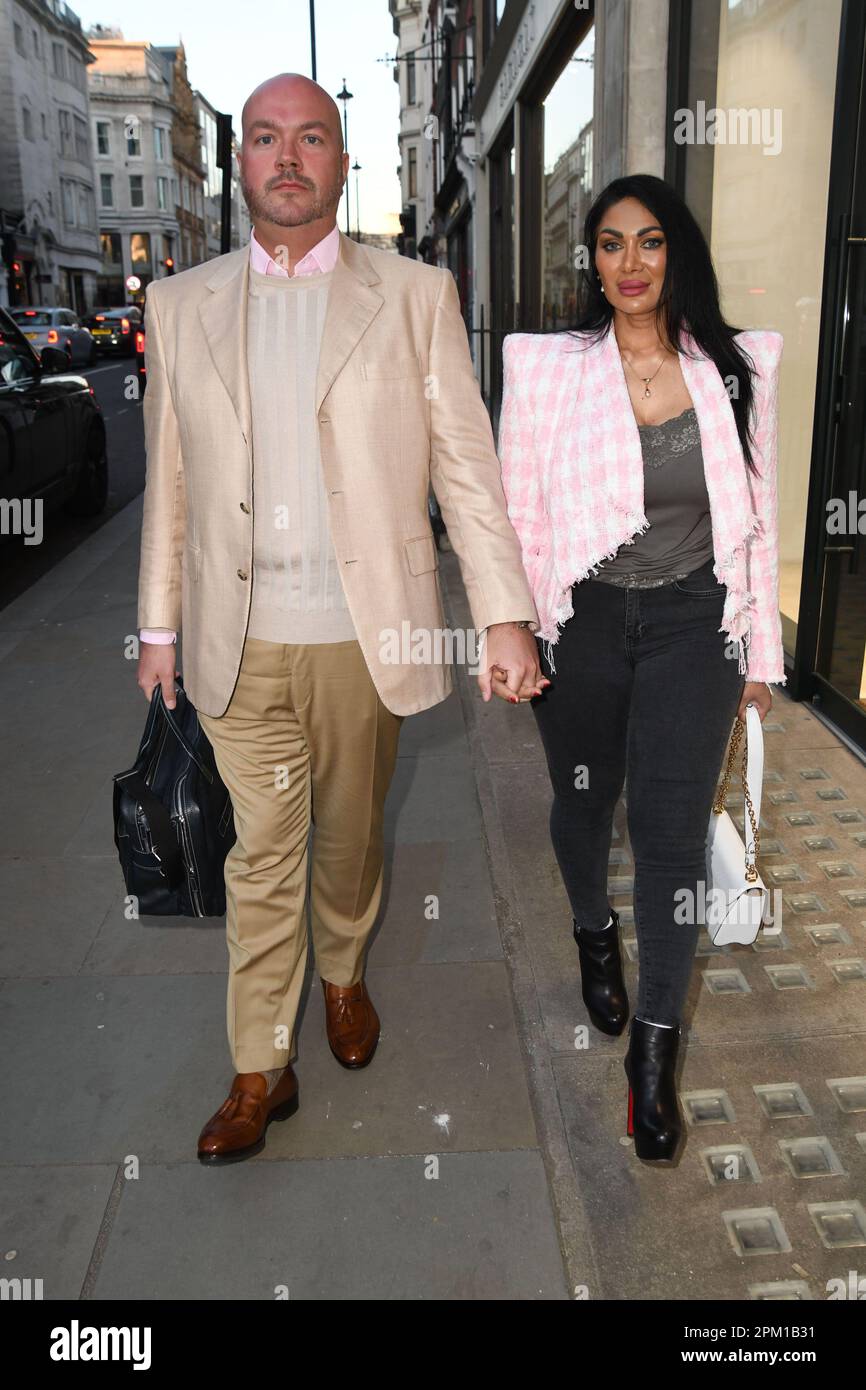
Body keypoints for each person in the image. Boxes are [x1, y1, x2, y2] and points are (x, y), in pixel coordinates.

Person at [136, 72, 544, 1164]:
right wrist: (157, 626)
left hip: (367, 636)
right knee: (260, 855)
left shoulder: (413, 296)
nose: (284, 157)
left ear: (340, 160)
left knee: (350, 840)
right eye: (263, 138)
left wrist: (503, 612)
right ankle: (260, 1067)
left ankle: (345, 970)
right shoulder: (178, 305)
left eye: (307, 138)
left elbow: (464, 463)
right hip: (239, 639)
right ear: (239, 163)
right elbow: (166, 479)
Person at [498, 173, 785, 1165]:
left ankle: (652, 1062)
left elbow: (754, 521)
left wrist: (758, 652)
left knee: (666, 836)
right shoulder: (547, 370)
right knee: (583, 802)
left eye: (649, 242)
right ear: (591, 258)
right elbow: (517, 516)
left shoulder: (733, 368)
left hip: (689, 627)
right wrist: (513, 629)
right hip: (579, 625)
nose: (628, 263)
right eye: (609, 243)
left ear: (675, 253)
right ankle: (590, 930)